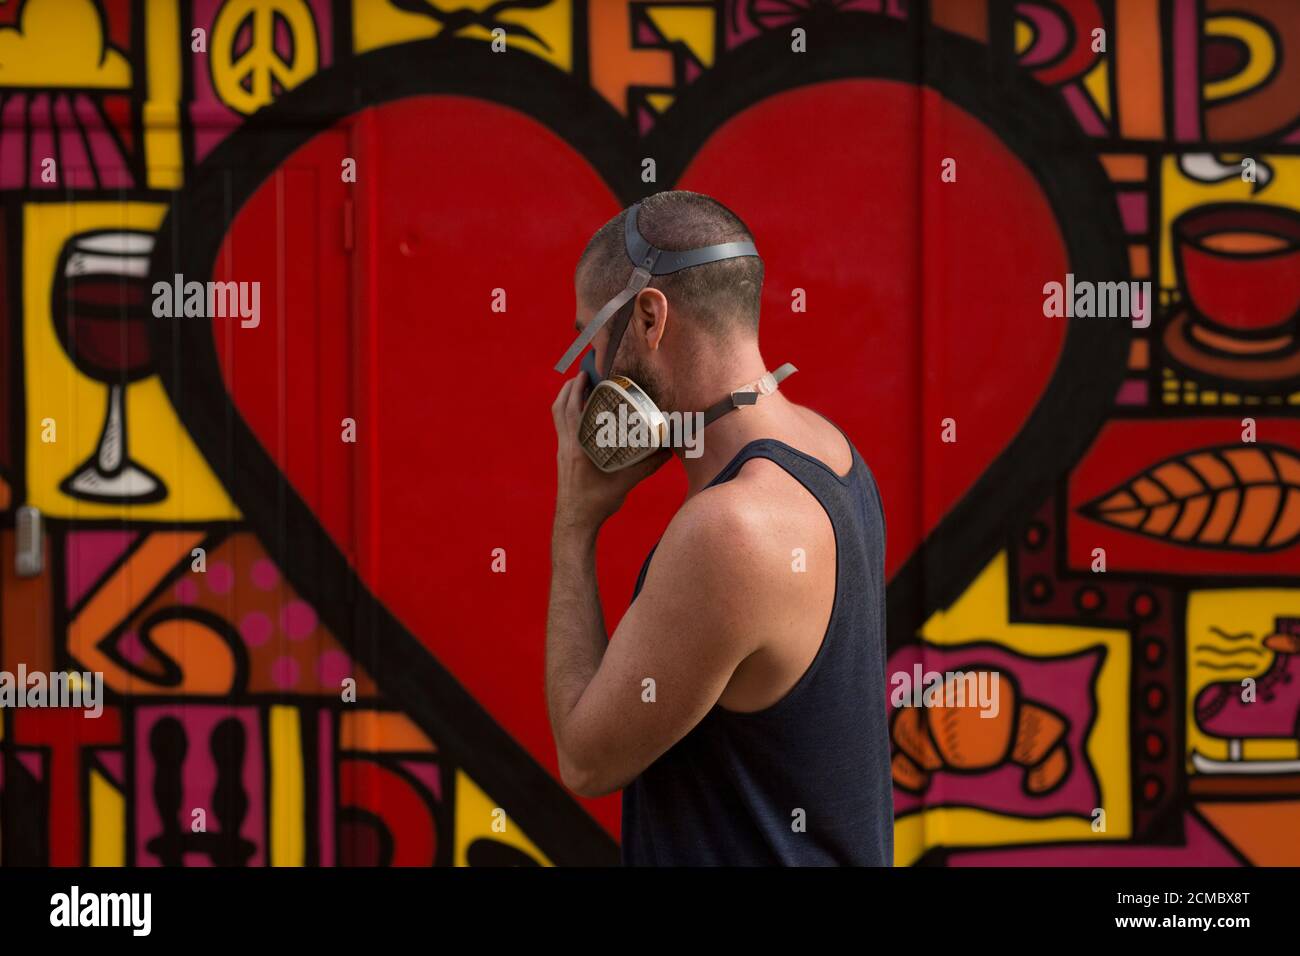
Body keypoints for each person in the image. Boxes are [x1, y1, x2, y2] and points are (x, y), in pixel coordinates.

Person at [546, 190, 892, 866]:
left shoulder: (732, 530)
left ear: (648, 318)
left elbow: (585, 761)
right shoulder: (829, 450)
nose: (586, 377)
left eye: (590, 338)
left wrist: (574, 525)